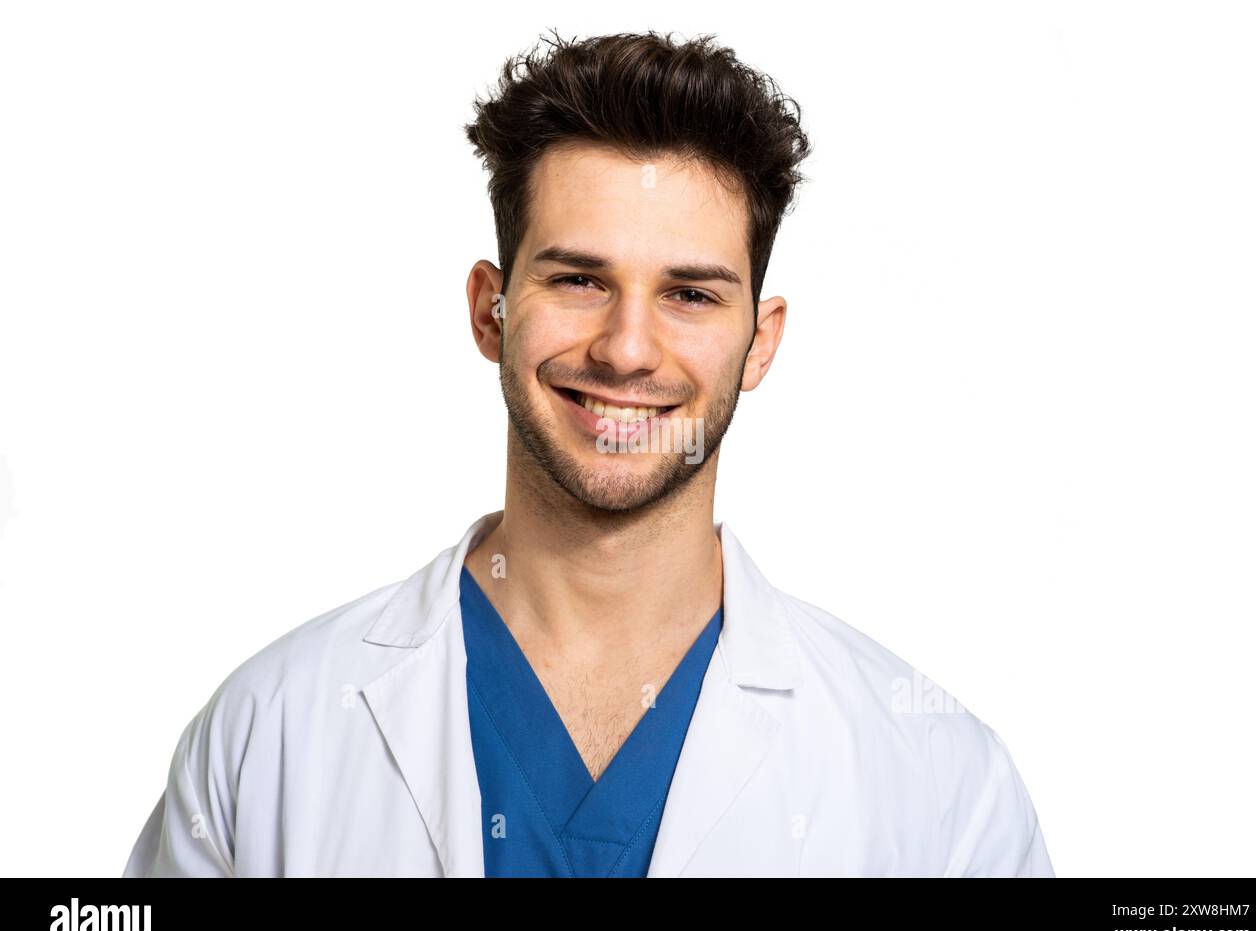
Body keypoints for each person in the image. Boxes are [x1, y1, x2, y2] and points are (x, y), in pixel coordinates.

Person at [124, 29, 1054, 877]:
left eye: (690, 295)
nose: (625, 349)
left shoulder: (937, 785)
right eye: (578, 279)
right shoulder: (269, 735)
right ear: (490, 307)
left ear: (761, 342)